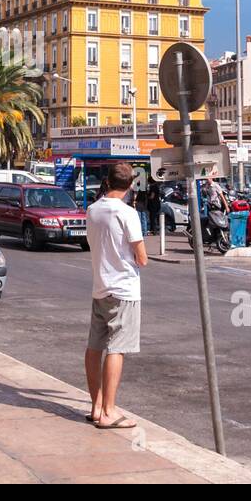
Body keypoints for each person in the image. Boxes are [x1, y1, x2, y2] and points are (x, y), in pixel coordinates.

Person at [83, 162, 147, 431]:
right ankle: (109, 411)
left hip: (100, 286)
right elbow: (142, 257)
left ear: (107, 181)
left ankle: (96, 405)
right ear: (131, 184)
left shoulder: (92, 209)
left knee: (94, 346)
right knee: (116, 348)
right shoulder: (127, 213)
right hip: (124, 290)